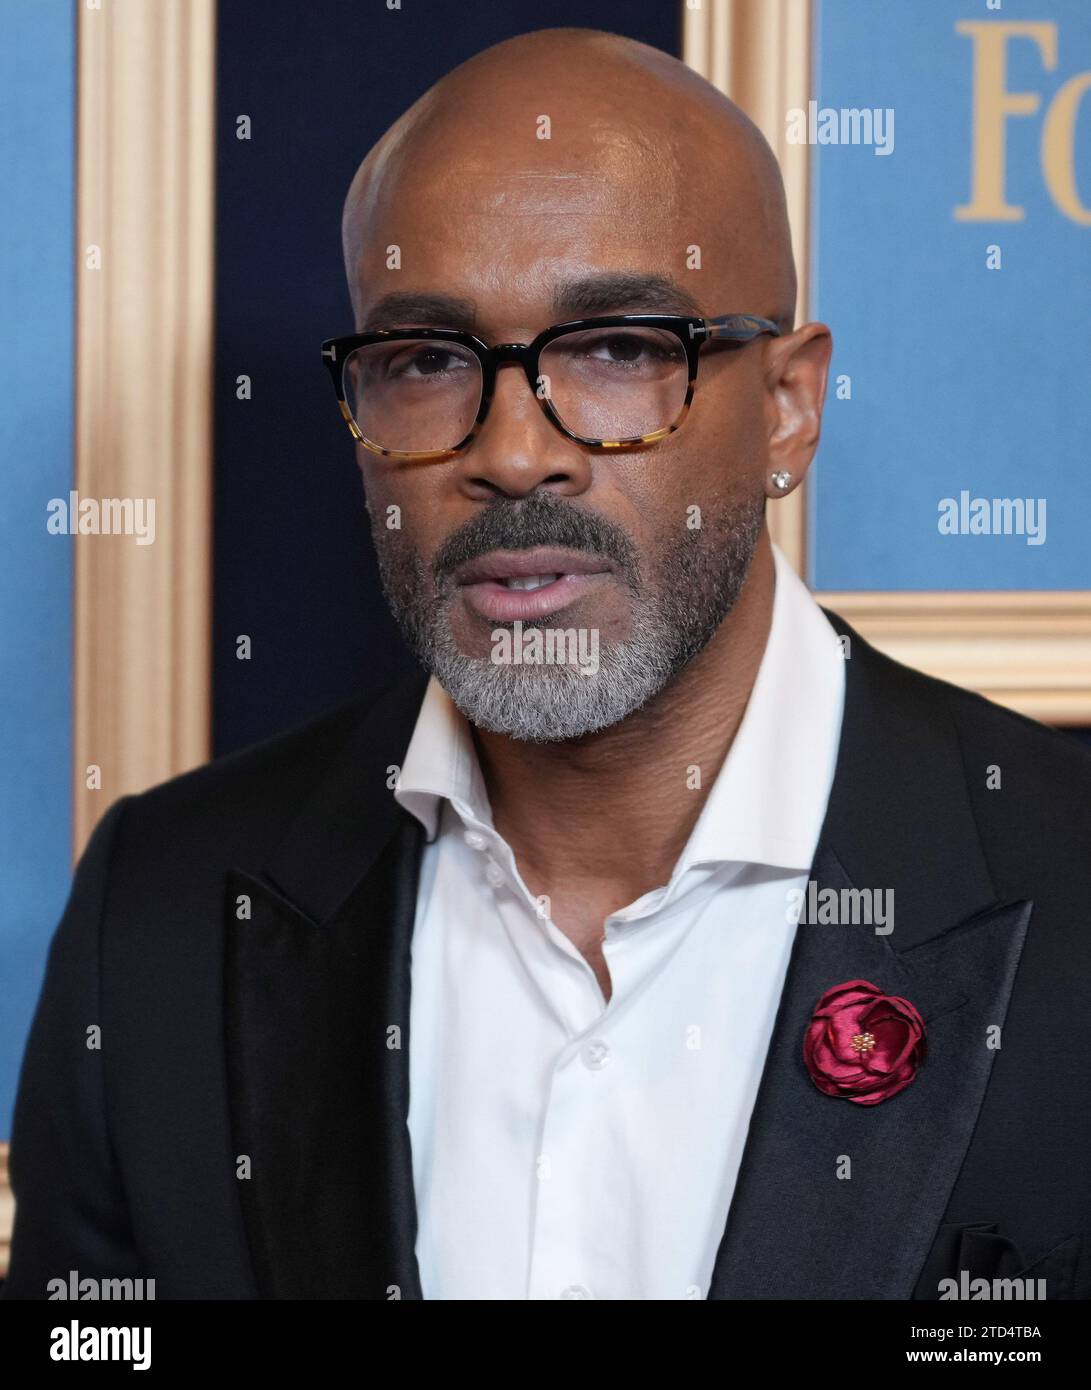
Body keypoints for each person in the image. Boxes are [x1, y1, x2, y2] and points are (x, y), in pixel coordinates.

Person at [4, 27, 1090, 1302]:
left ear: (788, 407)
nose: (513, 453)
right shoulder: (162, 911)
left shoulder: (1059, 877)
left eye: (621, 348)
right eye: (424, 360)